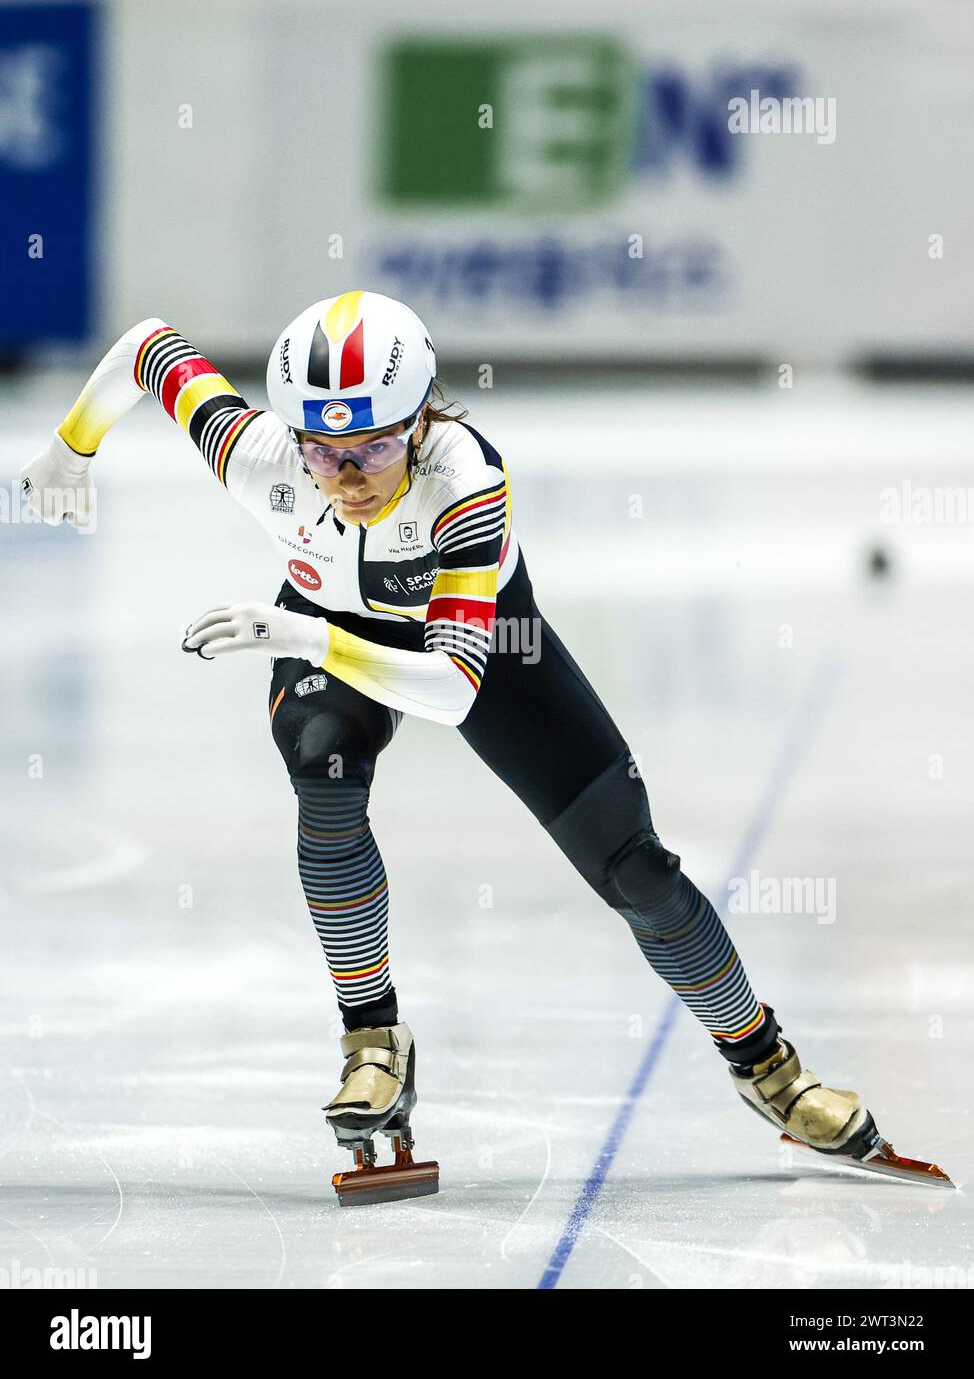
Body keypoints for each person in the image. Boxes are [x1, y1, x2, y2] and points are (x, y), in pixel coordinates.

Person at [20, 291, 949, 1200]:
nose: (345, 475)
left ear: (421, 421)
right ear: (290, 434)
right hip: (327, 632)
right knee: (326, 782)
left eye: (375, 446)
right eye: (323, 450)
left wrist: (298, 635)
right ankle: (373, 1042)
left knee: (638, 873)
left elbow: (450, 686)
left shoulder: (466, 478)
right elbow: (148, 347)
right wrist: (71, 448)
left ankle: (767, 1065)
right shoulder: (256, 452)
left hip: (485, 648)